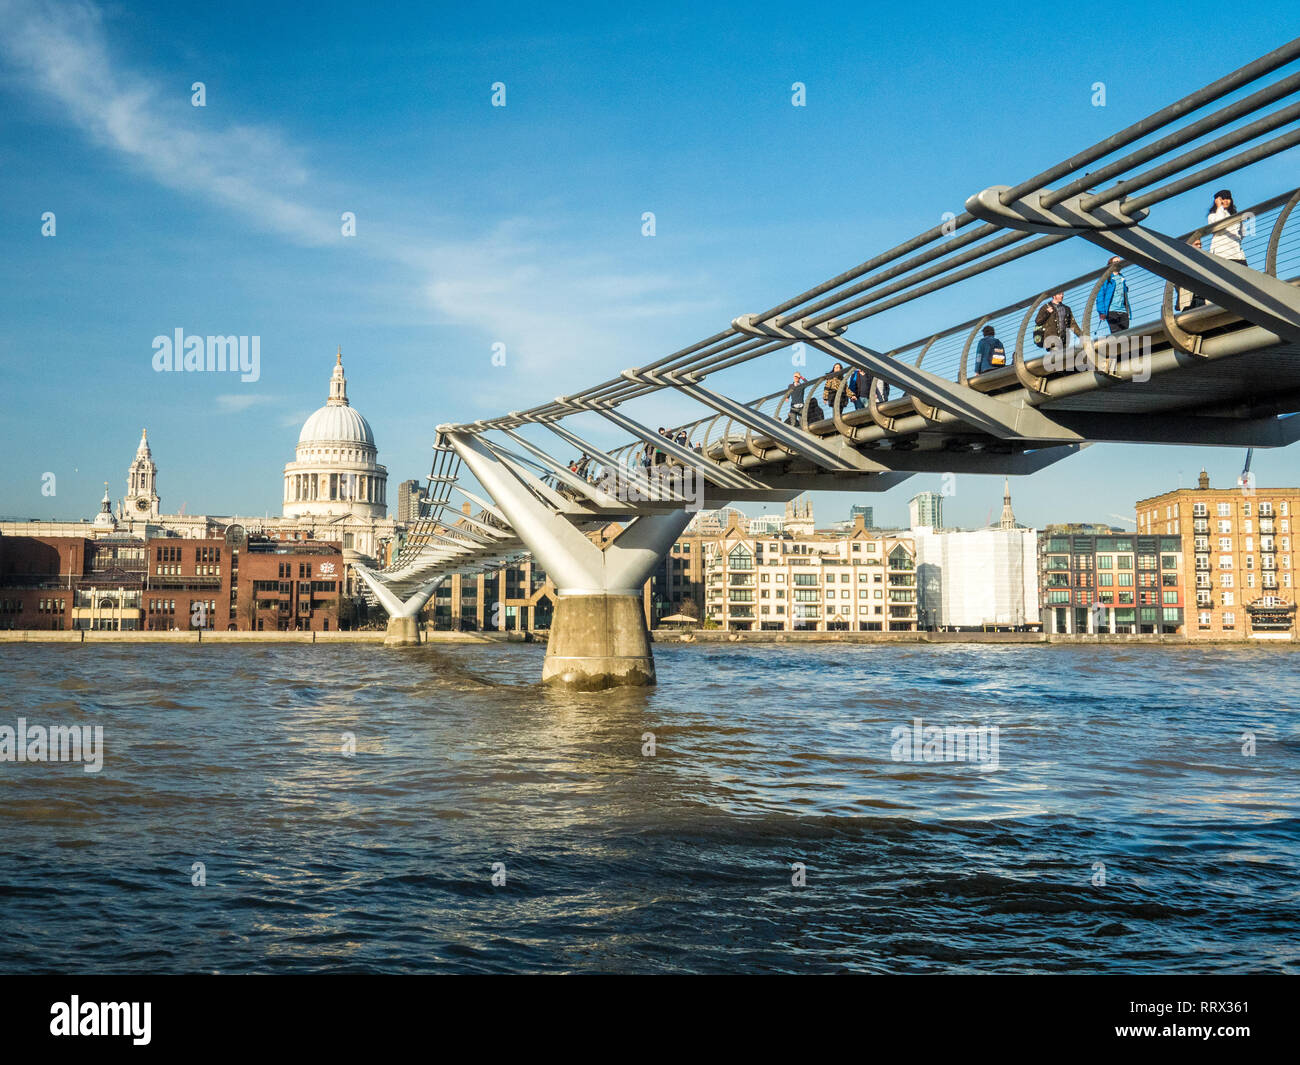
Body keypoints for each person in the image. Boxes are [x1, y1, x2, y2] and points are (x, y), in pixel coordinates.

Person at [1034, 292, 1084, 360]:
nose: (1062, 296)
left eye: (1063, 294)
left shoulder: (1067, 309)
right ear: (1054, 295)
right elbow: (1038, 321)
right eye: (1059, 294)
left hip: (1064, 341)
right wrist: (1047, 313)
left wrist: (1082, 336)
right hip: (1052, 341)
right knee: (1058, 361)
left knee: (1065, 362)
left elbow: (1073, 324)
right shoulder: (1046, 307)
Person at [1207, 189, 1246, 266]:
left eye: (1228, 198)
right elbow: (1219, 223)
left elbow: (1242, 233)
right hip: (1222, 254)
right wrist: (1219, 207)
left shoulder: (1235, 216)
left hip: (1238, 255)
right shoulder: (1212, 216)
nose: (1225, 201)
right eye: (1222, 199)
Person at [1096, 257, 1131, 334]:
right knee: (1116, 335)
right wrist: (1101, 312)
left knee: (1126, 335)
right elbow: (1100, 295)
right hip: (1111, 311)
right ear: (1110, 265)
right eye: (1116, 262)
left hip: (1123, 312)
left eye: (1119, 261)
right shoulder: (1106, 279)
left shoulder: (1122, 278)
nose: (1119, 263)